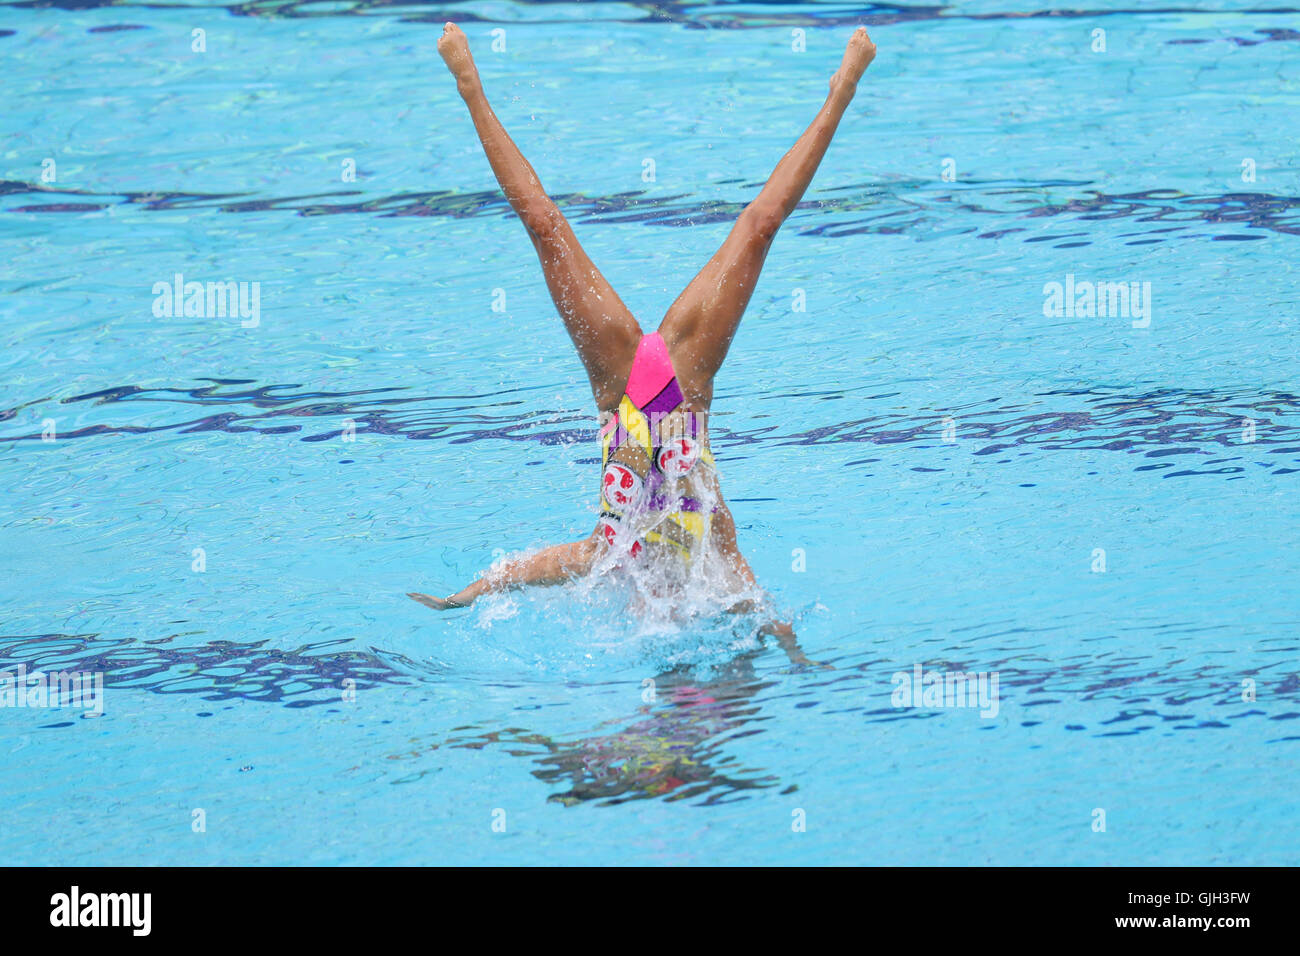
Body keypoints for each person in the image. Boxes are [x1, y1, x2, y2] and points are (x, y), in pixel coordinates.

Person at [410, 22, 876, 661]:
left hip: (621, 381)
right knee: (761, 226)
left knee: (545, 225)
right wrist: (788, 645)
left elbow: (521, 570)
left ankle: (470, 88)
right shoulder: (716, 556)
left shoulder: (607, 556)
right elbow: (758, 606)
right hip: (684, 379)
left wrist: (467, 594)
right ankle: (841, 92)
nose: (649, 602)